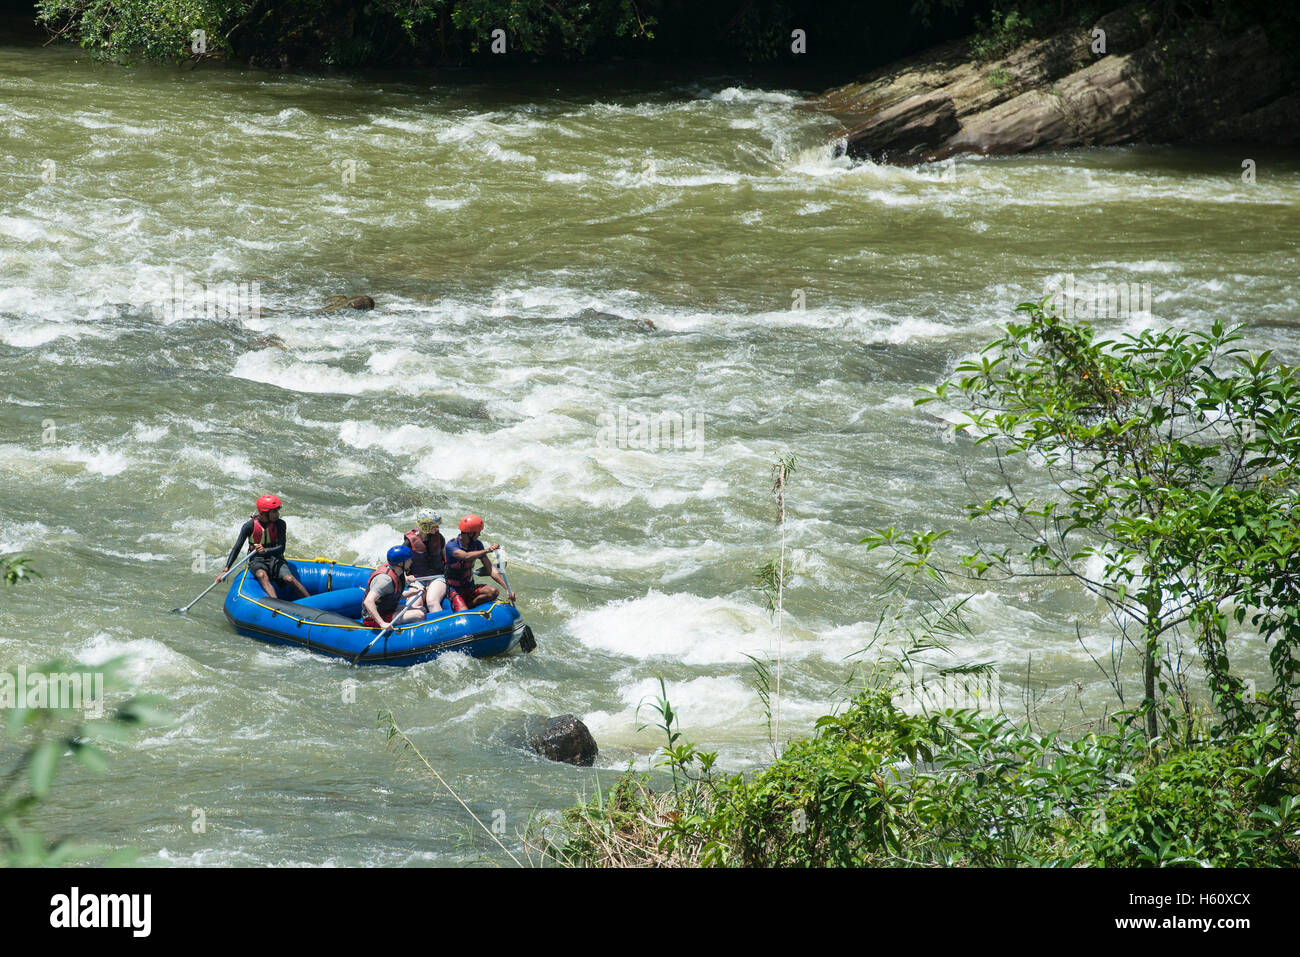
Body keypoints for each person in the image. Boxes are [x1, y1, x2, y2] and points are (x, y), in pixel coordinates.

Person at [217, 494, 310, 600]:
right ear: (264, 513)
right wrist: (226, 570)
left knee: (289, 578)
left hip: (276, 558)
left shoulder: (280, 524)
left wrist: (266, 550)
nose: (277, 514)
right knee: (261, 575)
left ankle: (311, 601)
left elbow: (281, 548)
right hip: (257, 559)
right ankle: (277, 605)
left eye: (277, 511)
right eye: (274, 512)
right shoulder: (249, 526)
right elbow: (237, 548)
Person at [443, 514, 513, 611]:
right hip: (454, 589)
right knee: (463, 612)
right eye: (478, 532)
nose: (479, 535)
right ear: (470, 533)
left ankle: (470, 605)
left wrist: (507, 589)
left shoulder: (477, 545)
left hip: (469, 587)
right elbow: (466, 556)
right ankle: (463, 607)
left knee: (493, 592)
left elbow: (490, 569)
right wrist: (488, 550)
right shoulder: (451, 546)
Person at [361, 544, 427, 628]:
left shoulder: (398, 573)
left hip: (387, 610)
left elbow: (394, 596)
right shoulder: (385, 580)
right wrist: (382, 623)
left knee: (422, 609)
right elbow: (368, 601)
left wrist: (415, 592)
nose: (411, 561)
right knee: (419, 615)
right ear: (400, 563)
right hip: (373, 618)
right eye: (408, 560)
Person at [402, 508, 448, 614]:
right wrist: (406, 577)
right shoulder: (409, 542)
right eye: (434, 526)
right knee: (414, 605)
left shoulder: (439, 538)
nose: (437, 528)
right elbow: (400, 564)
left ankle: (439, 623)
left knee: (432, 602)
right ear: (425, 526)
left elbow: (446, 559)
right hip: (417, 579)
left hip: (437, 577)